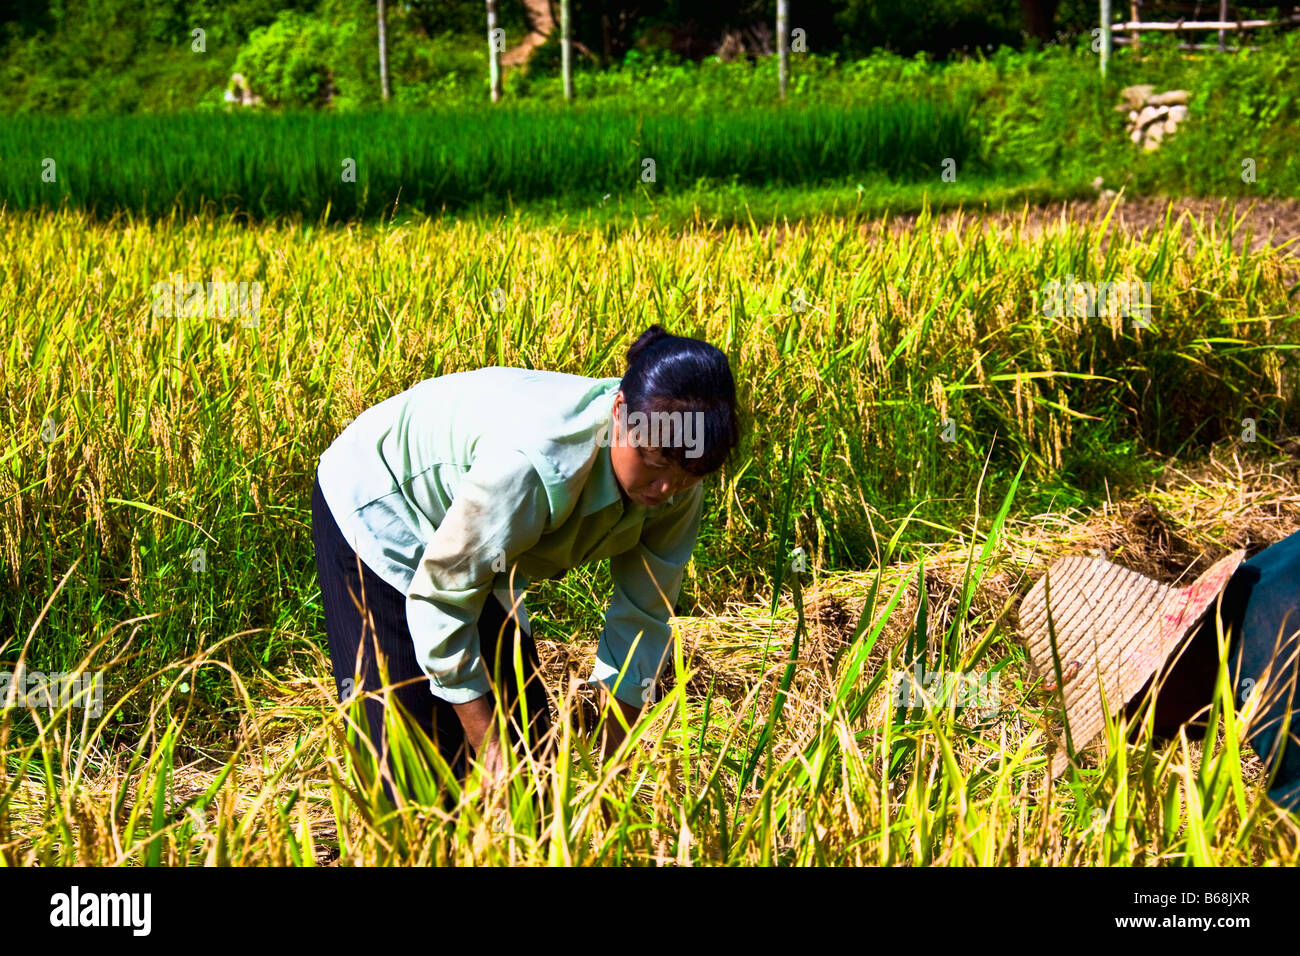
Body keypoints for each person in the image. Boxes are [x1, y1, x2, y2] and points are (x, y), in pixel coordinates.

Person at [311, 325, 742, 807]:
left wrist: (608, 777)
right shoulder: (536, 464)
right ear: (619, 413)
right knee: (422, 789)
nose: (666, 489)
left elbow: (643, 617)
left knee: (533, 782)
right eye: (652, 460)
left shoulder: (677, 476)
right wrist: (490, 753)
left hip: (484, 545)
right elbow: (442, 597)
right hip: (384, 503)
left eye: (688, 474)